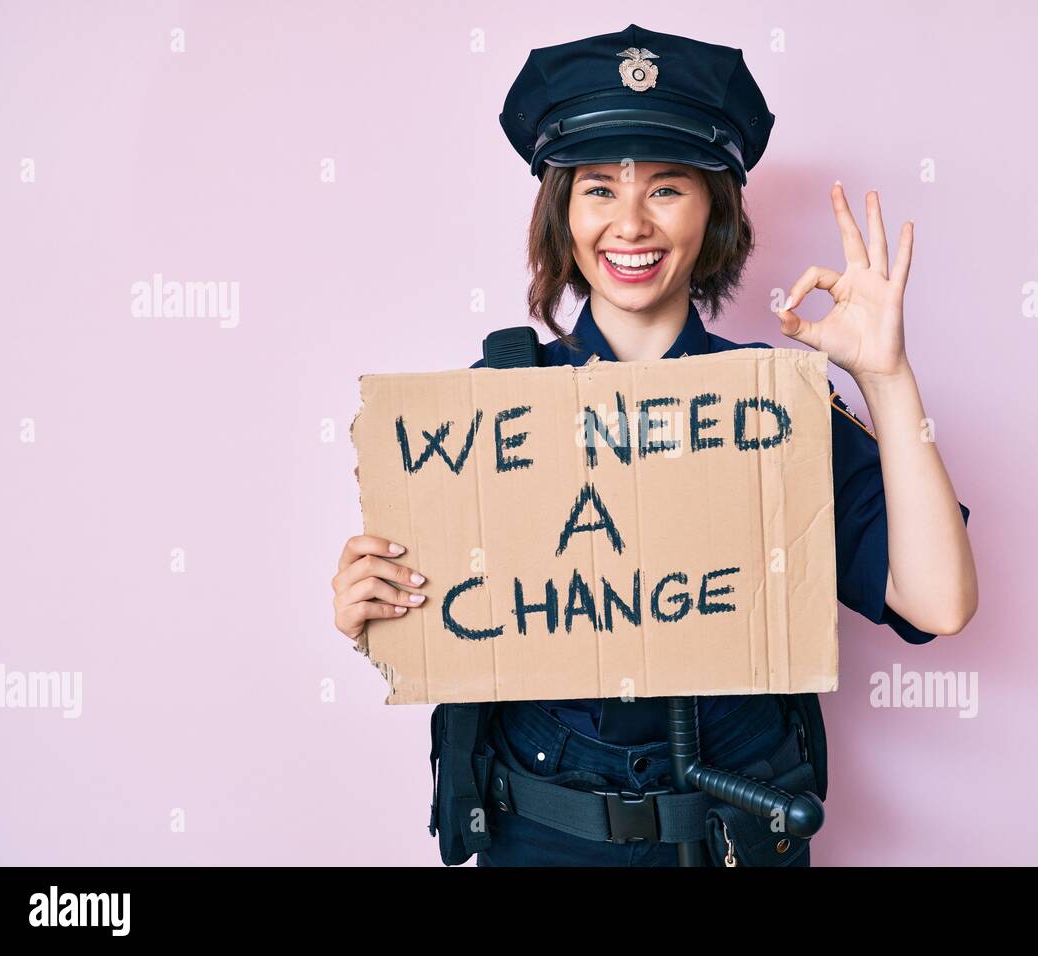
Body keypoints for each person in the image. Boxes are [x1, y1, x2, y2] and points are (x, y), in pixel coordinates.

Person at [330, 23, 977, 866]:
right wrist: (371, 607)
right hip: (541, 827)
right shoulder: (488, 412)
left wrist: (886, 378)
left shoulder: (774, 406)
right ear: (563, 213)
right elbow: (441, 611)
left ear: (714, 214)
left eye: (667, 189)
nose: (629, 223)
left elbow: (939, 603)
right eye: (599, 188)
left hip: (731, 825)